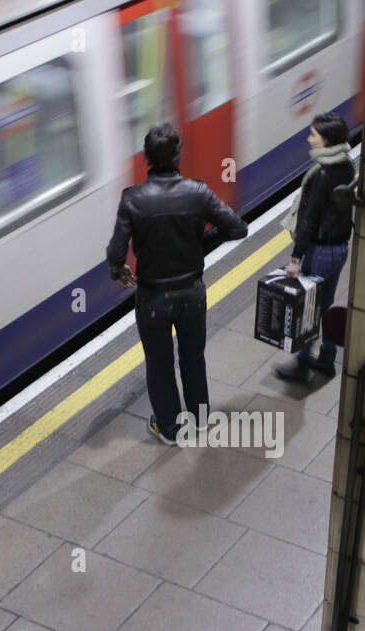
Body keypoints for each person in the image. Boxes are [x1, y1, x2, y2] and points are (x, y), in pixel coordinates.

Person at [106, 122, 248, 445]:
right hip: (192, 293)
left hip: (153, 297)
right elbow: (238, 228)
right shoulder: (198, 191)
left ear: (146, 158)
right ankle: (200, 419)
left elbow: (116, 251)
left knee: (159, 363)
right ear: (179, 154)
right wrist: (203, 244)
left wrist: (118, 269)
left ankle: (169, 429)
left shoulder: (133, 199)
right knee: (193, 356)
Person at [275, 112, 356, 384]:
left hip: (320, 251)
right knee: (326, 305)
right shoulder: (346, 162)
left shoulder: (321, 174)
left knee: (308, 308)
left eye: (314, 135)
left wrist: (296, 258)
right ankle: (327, 359)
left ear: (327, 141)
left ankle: (301, 366)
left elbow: (308, 219)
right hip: (340, 248)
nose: (309, 138)